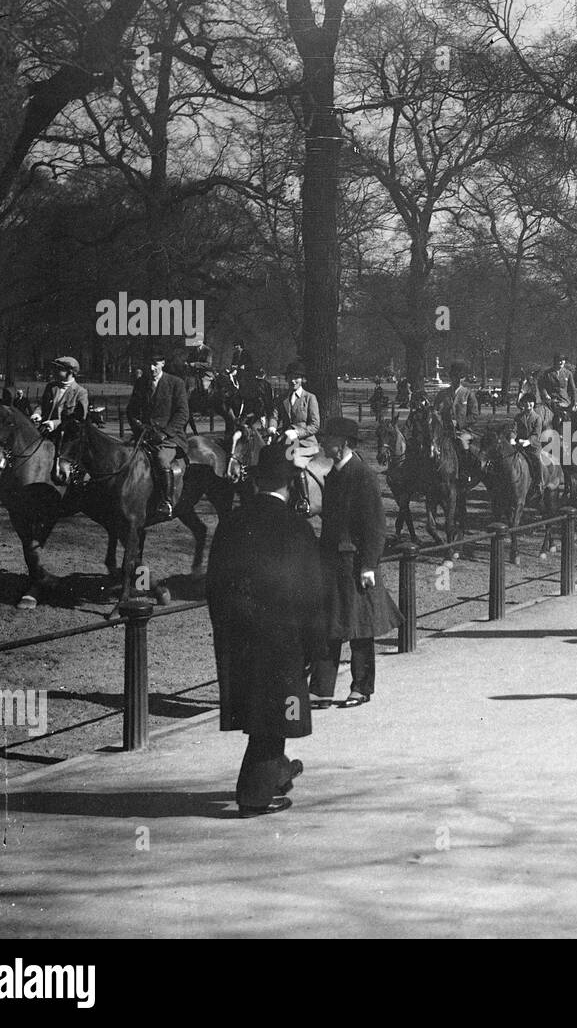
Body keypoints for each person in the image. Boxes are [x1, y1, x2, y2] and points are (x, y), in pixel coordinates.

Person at [205, 441, 326, 817]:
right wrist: (314, 645)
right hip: (283, 637)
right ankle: (255, 794)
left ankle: (277, 770)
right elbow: (311, 593)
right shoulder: (297, 528)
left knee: (264, 709)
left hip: (237, 636)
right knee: (274, 713)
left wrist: (225, 630)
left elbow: (214, 585)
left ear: (256, 483)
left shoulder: (231, 524)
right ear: (290, 486)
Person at [308, 416, 403, 710]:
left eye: (329, 439)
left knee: (359, 628)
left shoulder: (363, 475)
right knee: (328, 625)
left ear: (343, 443)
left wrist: (369, 566)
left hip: (355, 564)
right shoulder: (334, 474)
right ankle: (321, 691)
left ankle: (361, 687)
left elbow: (376, 526)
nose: (324, 443)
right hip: (331, 562)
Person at [127, 349, 190, 519]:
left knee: (162, 459)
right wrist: (138, 427)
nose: (151, 368)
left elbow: (182, 414)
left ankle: (167, 501)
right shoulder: (141, 383)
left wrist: (165, 433)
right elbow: (131, 411)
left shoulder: (176, 383)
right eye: (149, 364)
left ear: (163, 364)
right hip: (145, 435)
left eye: (155, 364)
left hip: (170, 438)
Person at [31, 356, 90, 440]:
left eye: (59, 369)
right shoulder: (51, 387)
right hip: (43, 431)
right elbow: (42, 405)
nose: (54, 371)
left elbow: (79, 419)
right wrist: (37, 414)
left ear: (70, 372)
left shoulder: (81, 392)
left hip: (66, 437)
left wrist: (55, 424)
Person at [273, 362, 321, 441]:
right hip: (285, 439)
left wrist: (297, 433)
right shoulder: (281, 398)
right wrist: (272, 426)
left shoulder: (310, 398)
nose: (293, 381)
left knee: (294, 453)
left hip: (305, 441)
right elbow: (275, 416)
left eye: (296, 378)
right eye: (290, 377)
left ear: (302, 379)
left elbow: (315, 425)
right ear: (286, 378)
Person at [538, 353, 577, 419]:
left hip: (564, 401)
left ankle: (566, 429)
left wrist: (574, 403)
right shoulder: (548, 373)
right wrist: (546, 395)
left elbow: (573, 389)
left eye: (563, 360)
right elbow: (542, 386)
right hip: (551, 401)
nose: (561, 362)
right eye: (559, 360)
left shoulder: (568, 373)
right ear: (555, 361)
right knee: (549, 418)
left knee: (567, 419)